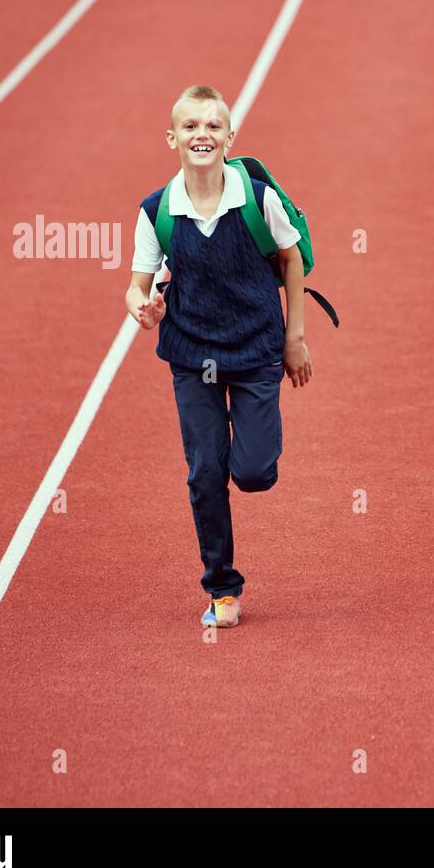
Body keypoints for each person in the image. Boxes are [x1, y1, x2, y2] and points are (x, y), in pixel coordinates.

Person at [124, 85, 313, 627]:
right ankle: (222, 591)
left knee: (252, 473)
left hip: (255, 349)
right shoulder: (157, 211)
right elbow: (136, 286)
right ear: (172, 139)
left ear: (229, 137)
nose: (201, 135)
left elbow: (292, 257)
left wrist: (293, 338)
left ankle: (251, 443)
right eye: (190, 127)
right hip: (192, 352)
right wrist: (144, 308)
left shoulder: (257, 198)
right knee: (205, 471)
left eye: (212, 126)